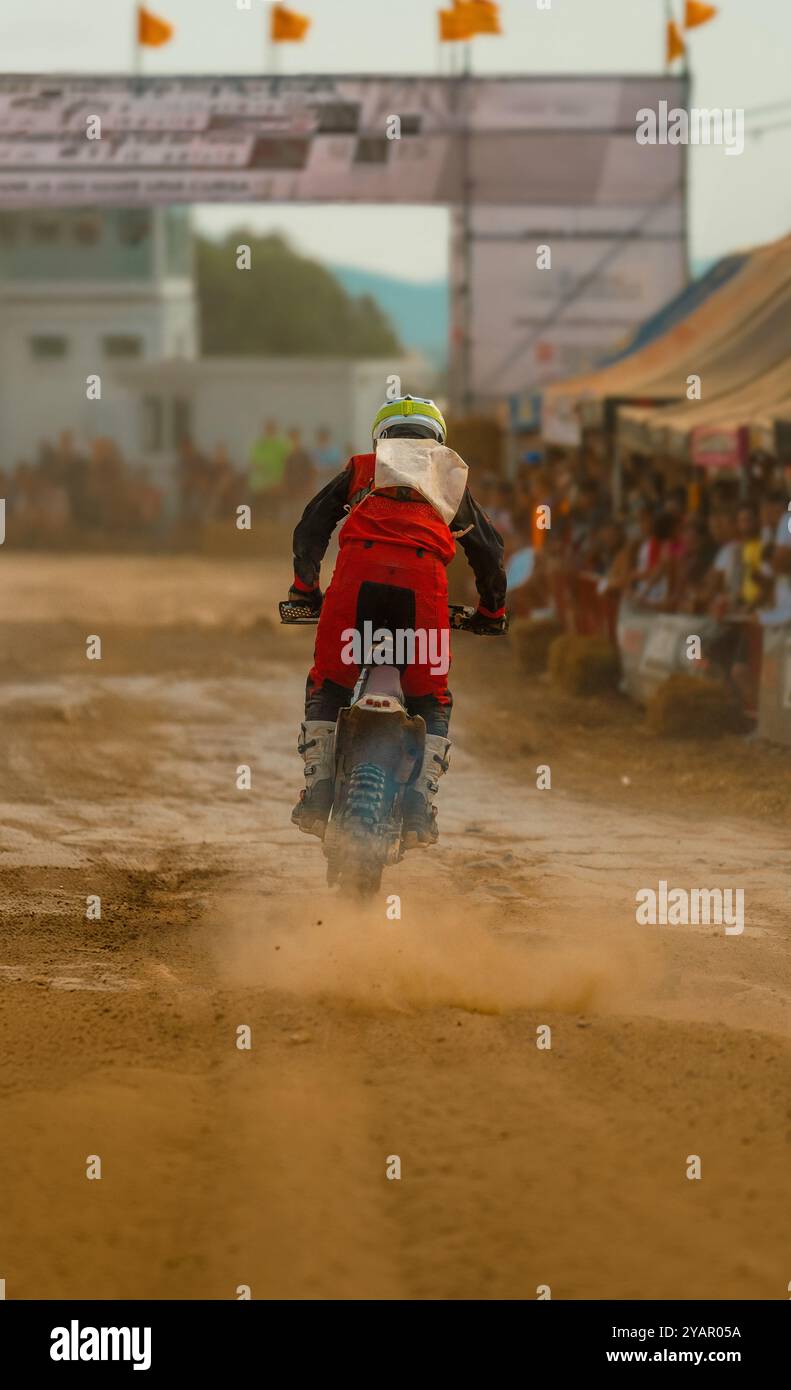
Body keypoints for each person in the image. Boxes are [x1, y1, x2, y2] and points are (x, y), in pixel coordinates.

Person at [287, 394, 507, 847]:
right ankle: (418, 809)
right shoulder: (449, 475)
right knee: (431, 700)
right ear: (438, 439)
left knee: (329, 684)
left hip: (356, 580)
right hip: (424, 588)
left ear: (381, 437)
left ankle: (317, 795)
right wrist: (491, 611)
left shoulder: (362, 468)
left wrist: (304, 590)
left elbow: (312, 526)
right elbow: (489, 551)